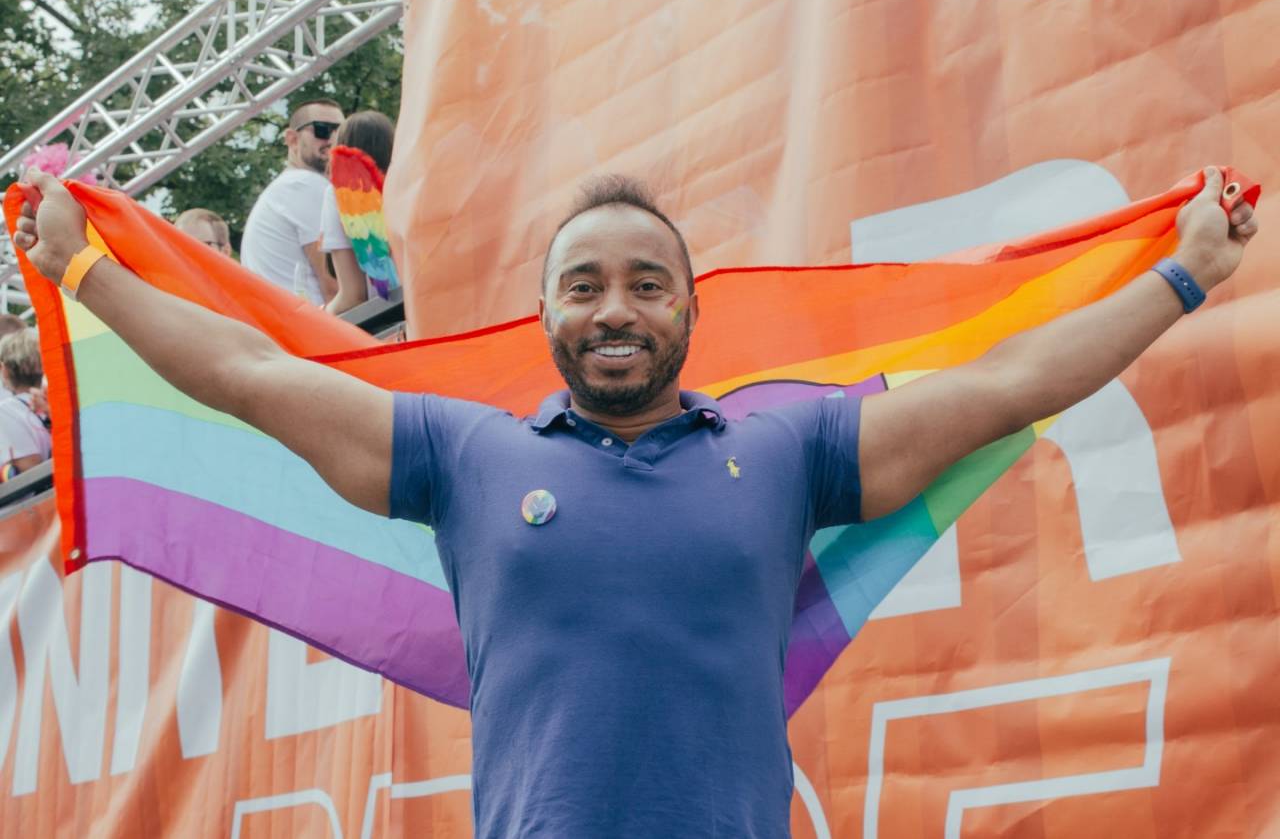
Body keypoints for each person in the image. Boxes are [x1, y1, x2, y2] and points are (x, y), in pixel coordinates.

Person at [11, 166, 1258, 837]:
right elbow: (249, 374)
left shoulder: (793, 450)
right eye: (584, 284)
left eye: (646, 283)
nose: (614, 307)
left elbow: (1002, 386)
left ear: (687, 313)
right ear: (546, 312)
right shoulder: (461, 455)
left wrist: (1181, 280)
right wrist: (84, 272)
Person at [239, 98, 345, 306]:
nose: (333, 140)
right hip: (312, 329)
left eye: (341, 132)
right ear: (292, 139)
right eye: (322, 130)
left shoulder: (284, 189)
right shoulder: (304, 185)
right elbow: (334, 284)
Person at [319, 110, 401, 315]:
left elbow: (353, 296)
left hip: (389, 318)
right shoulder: (409, 181)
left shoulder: (339, 194)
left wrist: (320, 316)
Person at [0, 329, 51, 477]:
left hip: (41, 495)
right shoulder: (57, 400)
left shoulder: (6, 410)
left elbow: (31, 470)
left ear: (4, 370)